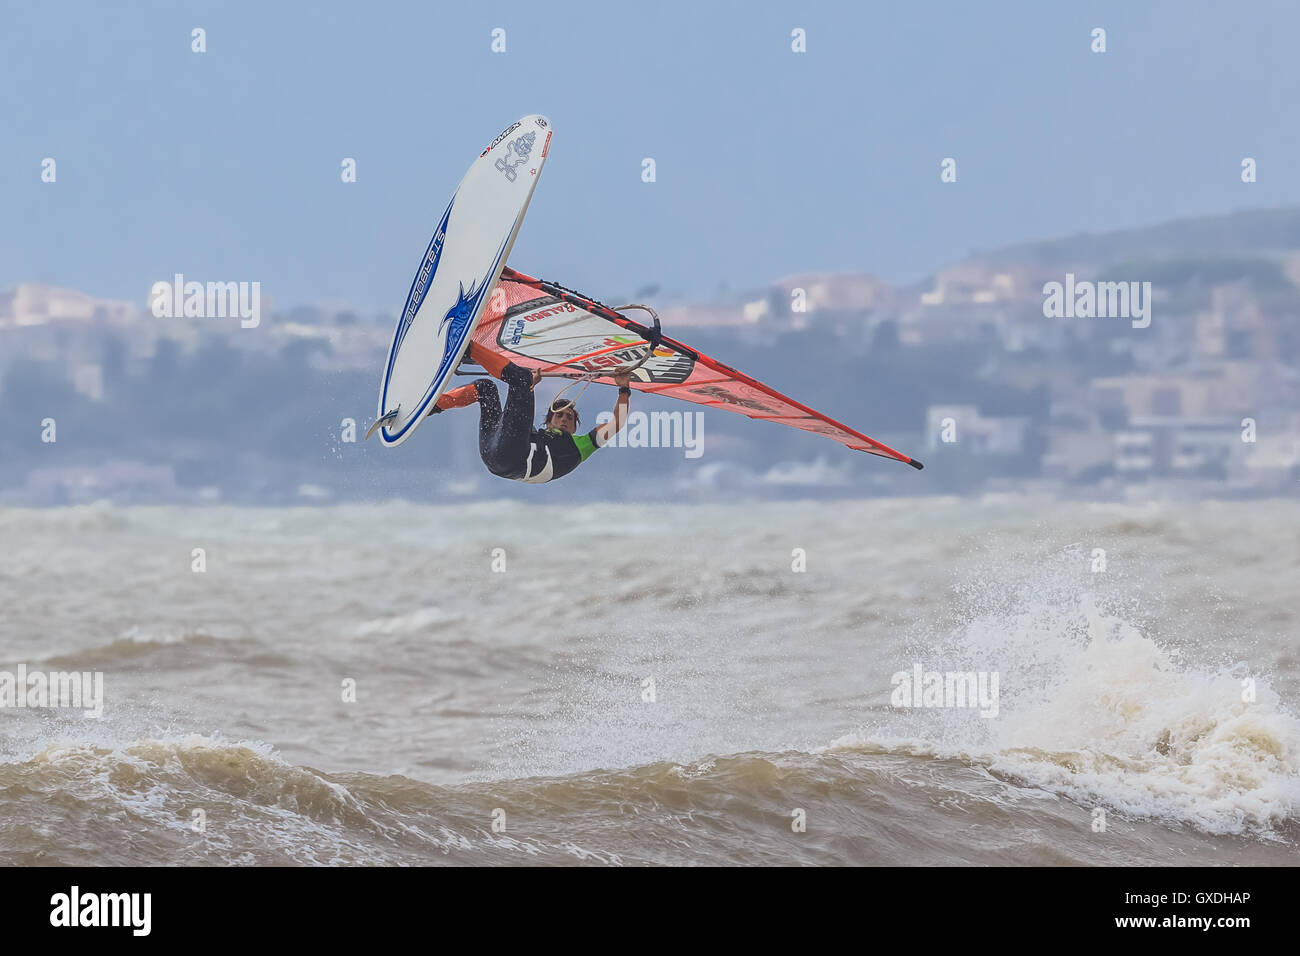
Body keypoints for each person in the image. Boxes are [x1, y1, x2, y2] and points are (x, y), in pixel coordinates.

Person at [429, 348, 631, 483]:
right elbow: (517, 417)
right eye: (559, 415)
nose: (564, 419)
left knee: (521, 380)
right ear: (549, 421)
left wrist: (624, 389)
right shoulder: (533, 435)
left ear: (575, 428)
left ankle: (469, 348)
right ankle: (433, 406)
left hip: (512, 457)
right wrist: (529, 387)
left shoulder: (583, 445)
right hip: (494, 453)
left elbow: (618, 422)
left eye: (569, 418)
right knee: (486, 389)